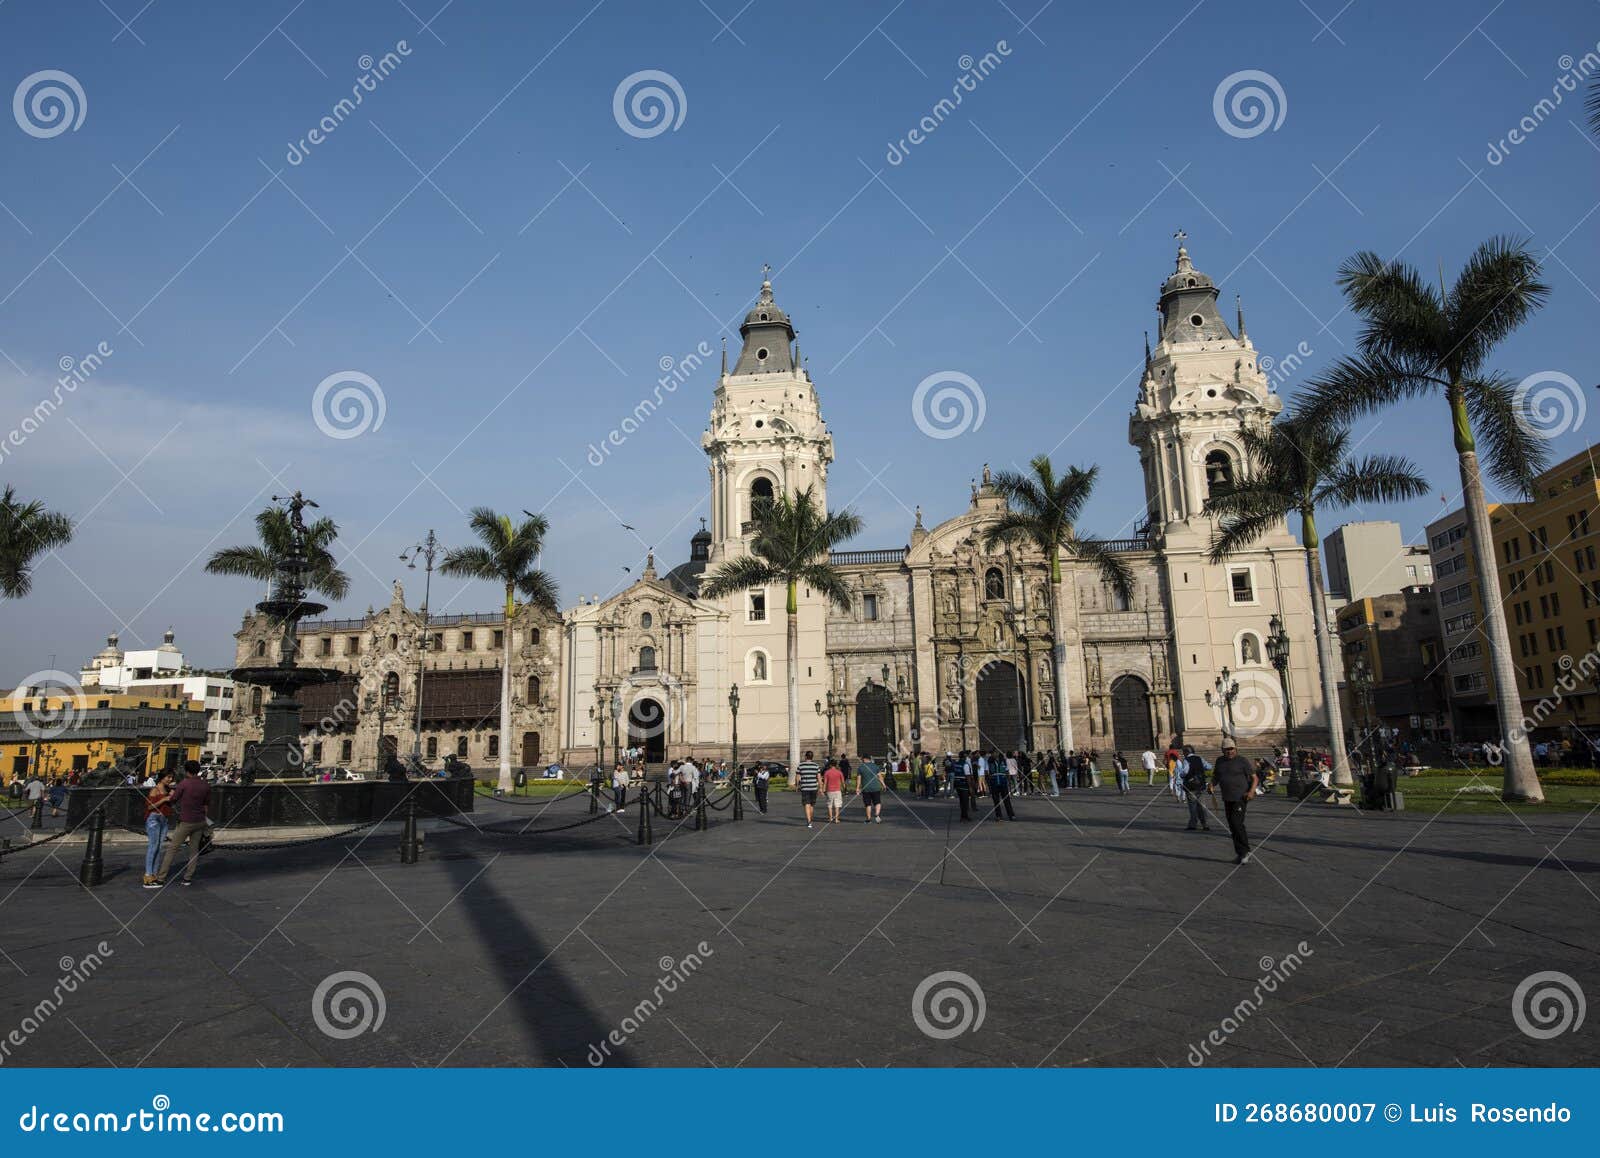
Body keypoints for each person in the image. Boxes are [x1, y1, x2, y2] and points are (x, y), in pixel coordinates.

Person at [156, 761, 212, 887]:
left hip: (186, 820)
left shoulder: (184, 784)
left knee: (172, 849)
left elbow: (174, 799)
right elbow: (206, 805)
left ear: (187, 771)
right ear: (197, 770)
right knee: (194, 850)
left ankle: (161, 878)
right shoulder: (205, 785)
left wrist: (166, 797)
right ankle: (187, 878)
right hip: (200, 821)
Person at [1210, 740, 1256, 864]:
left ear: (1236, 749)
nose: (1230, 751)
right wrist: (1212, 785)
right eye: (1227, 749)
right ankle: (1240, 853)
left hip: (1240, 797)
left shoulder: (1242, 761)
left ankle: (1245, 852)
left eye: (1232, 749)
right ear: (1222, 750)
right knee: (1232, 825)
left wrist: (1251, 791)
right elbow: (1216, 777)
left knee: (1237, 824)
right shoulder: (1220, 761)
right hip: (1227, 798)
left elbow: (1254, 778)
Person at [141, 770, 175, 889]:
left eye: (171, 777)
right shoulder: (154, 790)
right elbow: (149, 806)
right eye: (168, 777)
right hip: (153, 819)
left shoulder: (169, 790)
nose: (170, 779)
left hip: (164, 819)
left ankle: (154, 874)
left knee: (159, 847)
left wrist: (172, 796)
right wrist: (164, 799)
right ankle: (148, 875)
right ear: (162, 778)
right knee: (153, 847)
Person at [1180, 746, 1211, 832]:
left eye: (1183, 752)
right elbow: (1209, 767)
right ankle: (1205, 824)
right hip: (1201, 785)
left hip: (1191, 786)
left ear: (1186, 752)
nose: (1183, 754)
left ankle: (1193, 824)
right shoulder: (1200, 758)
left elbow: (1185, 771)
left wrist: (1181, 775)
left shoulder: (1186, 760)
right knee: (1202, 805)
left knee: (1192, 806)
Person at [795, 752, 821, 829]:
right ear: (812, 757)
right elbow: (819, 778)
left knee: (807, 804)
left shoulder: (801, 765)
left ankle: (809, 821)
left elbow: (797, 777)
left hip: (805, 787)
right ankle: (810, 819)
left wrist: (797, 786)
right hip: (814, 787)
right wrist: (821, 787)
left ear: (806, 757)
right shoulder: (816, 766)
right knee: (812, 804)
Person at [987, 750, 1015, 821]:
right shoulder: (989, 762)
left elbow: (1007, 772)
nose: (995, 754)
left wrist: (1008, 782)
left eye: (996, 753)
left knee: (1007, 800)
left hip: (1003, 783)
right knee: (996, 801)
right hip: (994, 783)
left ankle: (1011, 815)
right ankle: (998, 816)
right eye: (993, 753)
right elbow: (987, 773)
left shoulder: (1003, 761)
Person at [856, 755, 884, 823]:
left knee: (867, 804)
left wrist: (857, 788)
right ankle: (877, 814)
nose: (861, 760)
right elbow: (880, 776)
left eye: (862, 759)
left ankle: (868, 819)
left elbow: (858, 779)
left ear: (865, 759)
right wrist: (883, 784)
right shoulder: (875, 766)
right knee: (877, 802)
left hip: (866, 788)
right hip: (876, 787)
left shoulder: (861, 767)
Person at [821, 757, 846, 824]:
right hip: (837, 790)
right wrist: (844, 789)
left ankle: (830, 818)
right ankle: (836, 819)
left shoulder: (827, 772)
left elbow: (825, 782)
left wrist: (823, 790)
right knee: (837, 805)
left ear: (830, 765)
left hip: (829, 790)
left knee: (829, 805)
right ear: (836, 765)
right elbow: (843, 782)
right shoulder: (839, 772)